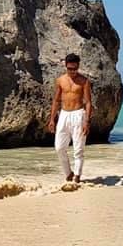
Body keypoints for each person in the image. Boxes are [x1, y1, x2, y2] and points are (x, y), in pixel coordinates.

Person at [46, 53, 92, 183]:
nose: (73, 71)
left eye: (75, 68)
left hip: (78, 114)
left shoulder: (84, 81)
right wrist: (52, 119)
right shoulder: (60, 80)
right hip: (64, 114)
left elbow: (88, 102)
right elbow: (56, 101)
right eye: (70, 69)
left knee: (78, 148)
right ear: (65, 66)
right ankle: (68, 172)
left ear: (78, 66)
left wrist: (87, 121)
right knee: (59, 147)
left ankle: (77, 176)